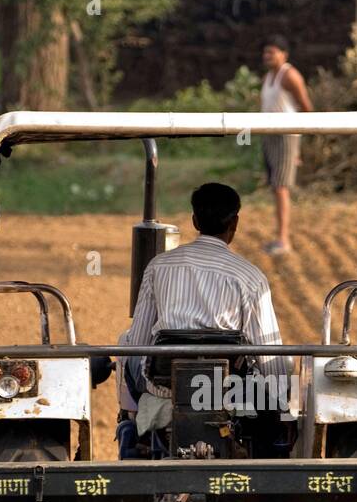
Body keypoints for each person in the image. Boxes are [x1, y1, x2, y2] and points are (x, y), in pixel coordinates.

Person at [127, 183, 289, 421]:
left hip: (165, 388)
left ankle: (132, 424)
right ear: (235, 223)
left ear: (195, 221)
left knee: (126, 352)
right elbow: (268, 355)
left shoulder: (158, 267)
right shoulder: (250, 277)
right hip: (227, 392)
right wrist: (281, 402)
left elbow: (139, 343)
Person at [259, 35, 313, 255]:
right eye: (266, 52)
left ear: (284, 54)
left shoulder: (290, 75)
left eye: (272, 52)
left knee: (281, 187)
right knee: (275, 186)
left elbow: (306, 107)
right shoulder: (268, 77)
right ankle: (279, 237)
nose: (267, 56)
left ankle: (284, 240)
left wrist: (298, 141)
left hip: (285, 136)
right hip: (269, 135)